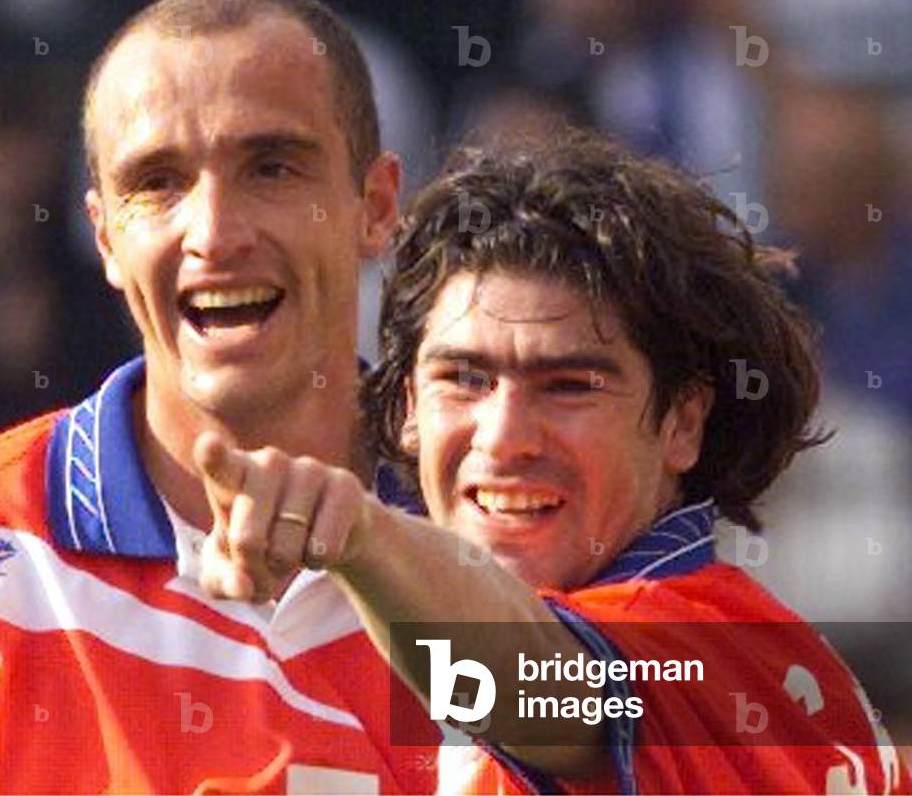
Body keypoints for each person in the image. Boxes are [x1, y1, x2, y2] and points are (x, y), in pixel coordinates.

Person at [199, 129, 910, 794]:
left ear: (682, 423)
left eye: (569, 386)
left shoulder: (694, 651)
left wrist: (362, 534)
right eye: (463, 378)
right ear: (408, 407)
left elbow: (520, 687)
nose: (504, 437)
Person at [0, 0, 439, 794]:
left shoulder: (502, 526)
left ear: (377, 206)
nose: (214, 233)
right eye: (158, 182)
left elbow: (607, 741)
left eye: (271, 167)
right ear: (105, 237)